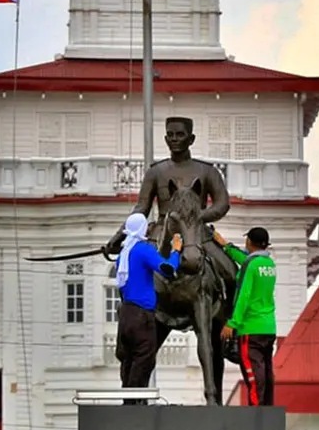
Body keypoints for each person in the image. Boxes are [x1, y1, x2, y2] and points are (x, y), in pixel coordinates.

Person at [102, 116, 230, 274]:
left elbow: (222, 204)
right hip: (162, 231)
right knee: (134, 270)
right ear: (166, 139)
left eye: (180, 134)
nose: (174, 139)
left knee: (229, 271)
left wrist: (198, 217)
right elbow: (141, 208)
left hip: (197, 231)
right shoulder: (155, 172)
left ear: (191, 139)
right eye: (170, 135)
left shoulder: (208, 171)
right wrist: (119, 235)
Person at [115, 212, 182, 403]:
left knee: (128, 360)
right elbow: (167, 269)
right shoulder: (143, 249)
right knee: (144, 358)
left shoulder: (124, 253)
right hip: (141, 315)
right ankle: (134, 401)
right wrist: (176, 250)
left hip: (126, 314)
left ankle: (127, 399)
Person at [212, 226, 278, 406]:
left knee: (253, 376)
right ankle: (267, 409)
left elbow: (244, 296)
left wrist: (232, 323)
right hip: (268, 327)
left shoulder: (251, 266)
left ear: (249, 242)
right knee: (265, 372)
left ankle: (256, 415)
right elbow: (245, 259)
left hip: (250, 329)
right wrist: (226, 246)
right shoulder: (268, 264)